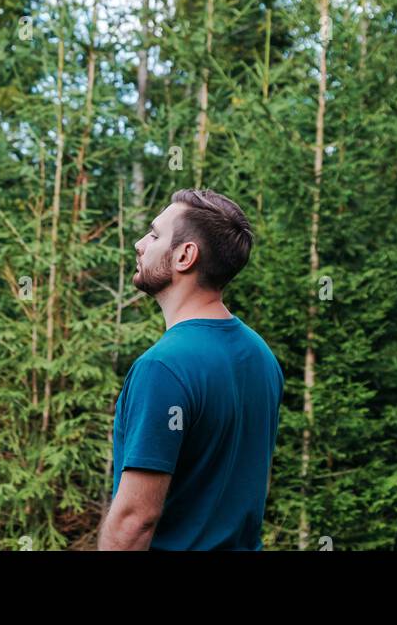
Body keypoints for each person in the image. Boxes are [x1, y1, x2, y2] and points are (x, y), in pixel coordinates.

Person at [98, 187, 284, 551]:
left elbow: (135, 521)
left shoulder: (162, 369)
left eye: (153, 234)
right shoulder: (263, 358)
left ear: (185, 256)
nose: (139, 243)